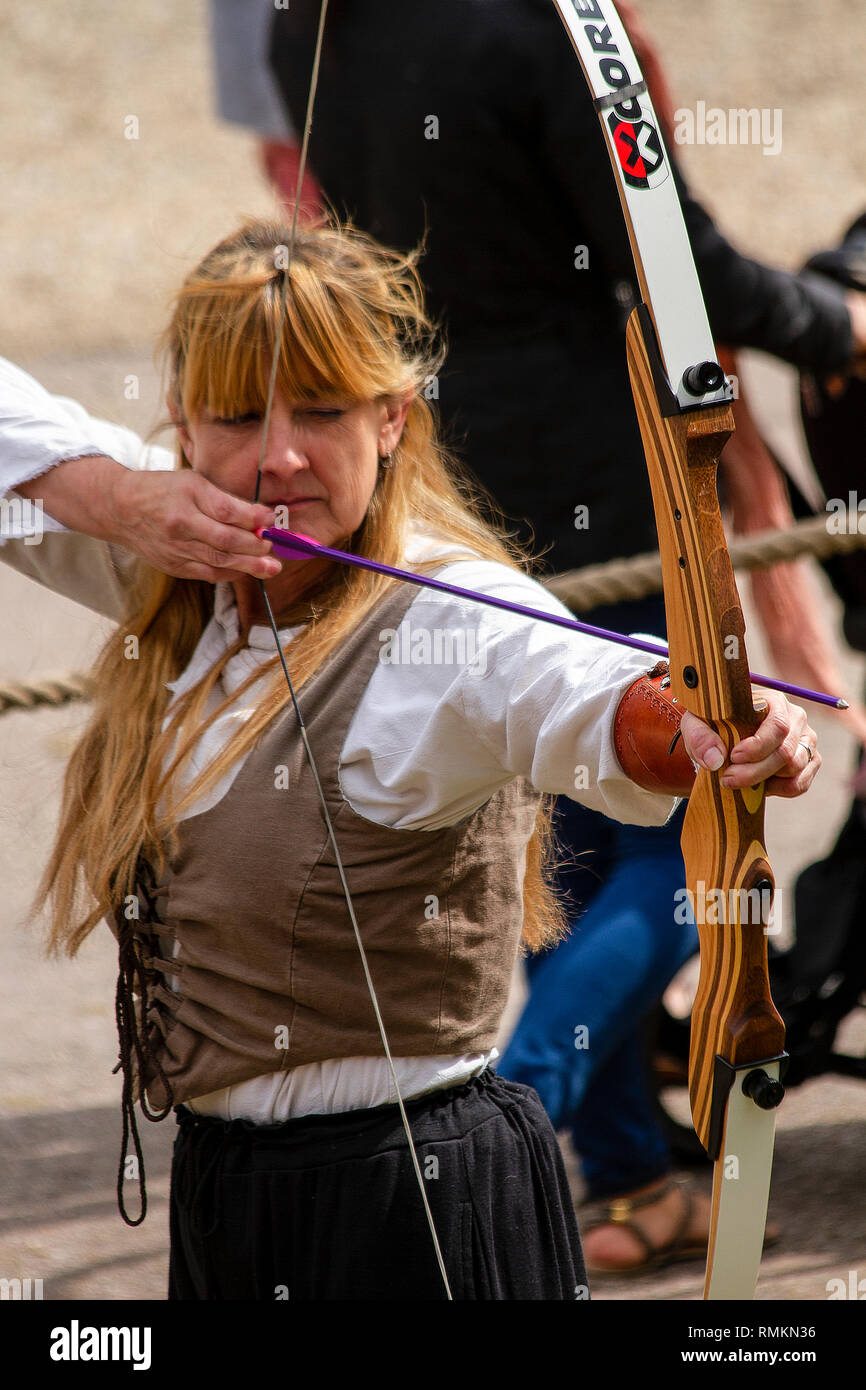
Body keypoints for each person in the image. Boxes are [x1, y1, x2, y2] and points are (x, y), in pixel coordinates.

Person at [0, 219, 819, 1300]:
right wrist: (120, 497)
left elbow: (579, 690)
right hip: (226, 1200)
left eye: (323, 411)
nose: (278, 456)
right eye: (237, 414)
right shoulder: (172, 549)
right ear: (185, 430)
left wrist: (706, 723)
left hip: (417, 1209)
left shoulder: (439, 619)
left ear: (393, 417)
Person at [264, 0, 866, 1274]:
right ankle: (517, 1102)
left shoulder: (309, 22)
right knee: (688, 837)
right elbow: (672, 266)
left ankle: (638, 1175)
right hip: (610, 490)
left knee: (572, 855)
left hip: (442, 483)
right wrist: (837, 326)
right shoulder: (549, 28)